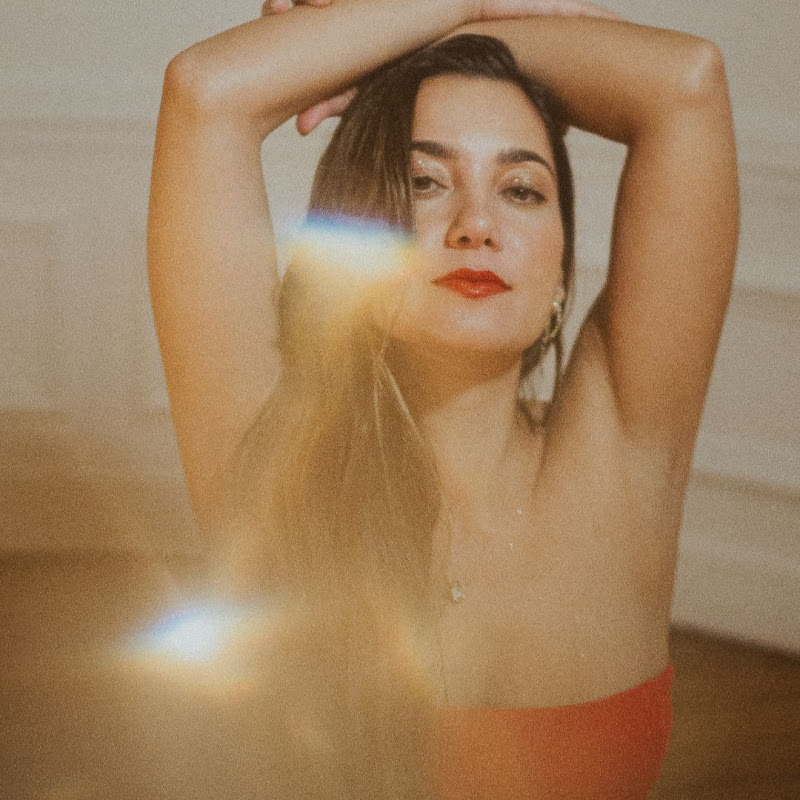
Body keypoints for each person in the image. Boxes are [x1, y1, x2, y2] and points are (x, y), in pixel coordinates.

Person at [146, 0, 738, 797]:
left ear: (560, 273)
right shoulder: (276, 454)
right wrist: (459, 8)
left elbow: (686, 81)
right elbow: (205, 92)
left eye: (520, 190)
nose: (476, 224)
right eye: (425, 182)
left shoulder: (622, 451)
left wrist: (405, 49)